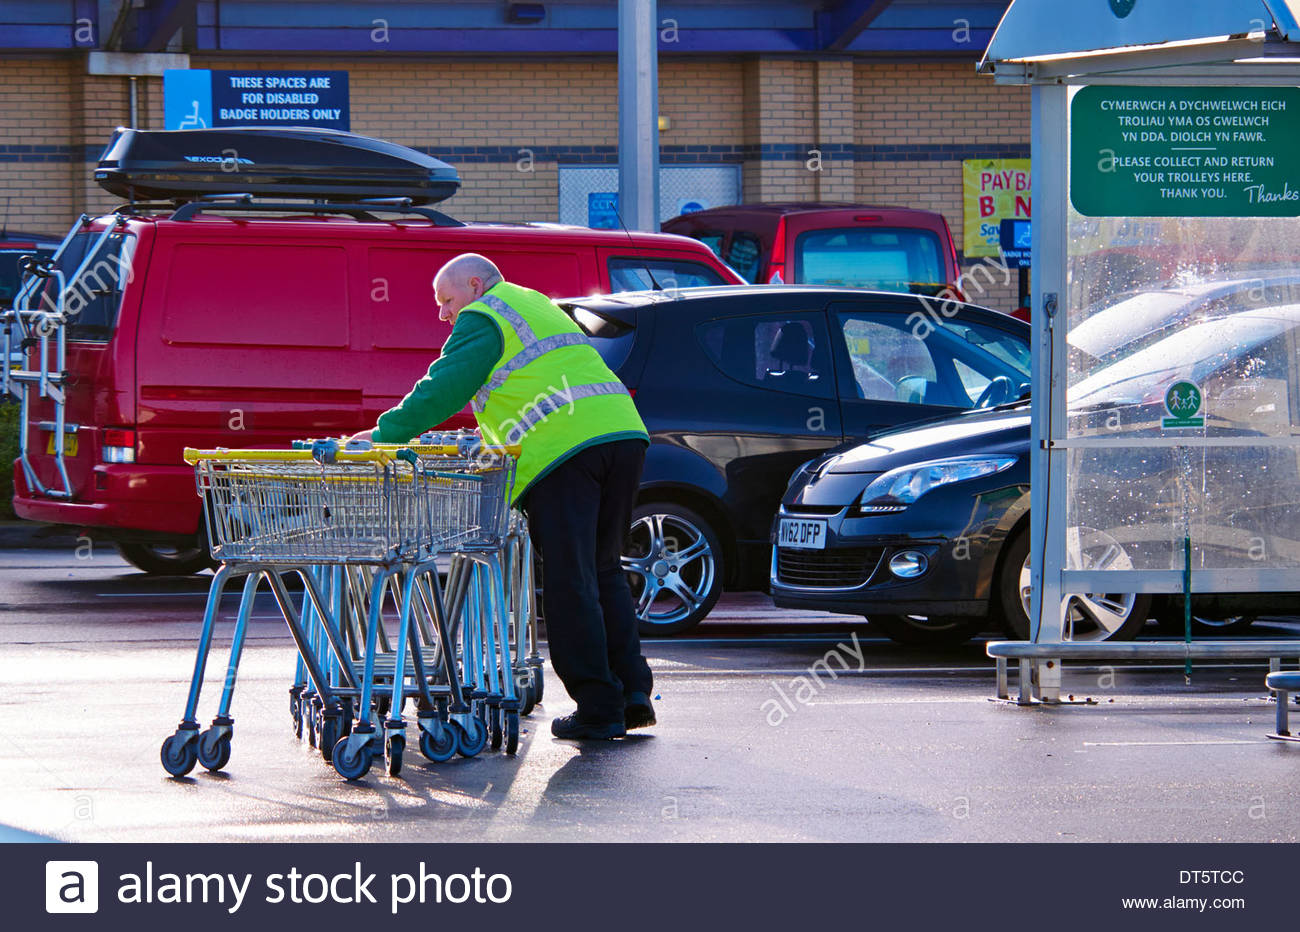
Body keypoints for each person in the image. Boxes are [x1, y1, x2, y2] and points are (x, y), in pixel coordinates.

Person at [361, 253, 654, 740]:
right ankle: (631, 692)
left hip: (563, 452)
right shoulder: (535, 304)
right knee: (604, 570)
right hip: (622, 435)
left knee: (569, 580)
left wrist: (384, 435)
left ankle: (598, 705)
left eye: (446, 300)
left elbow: (444, 388)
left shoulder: (485, 314)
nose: (442, 314)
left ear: (475, 286)